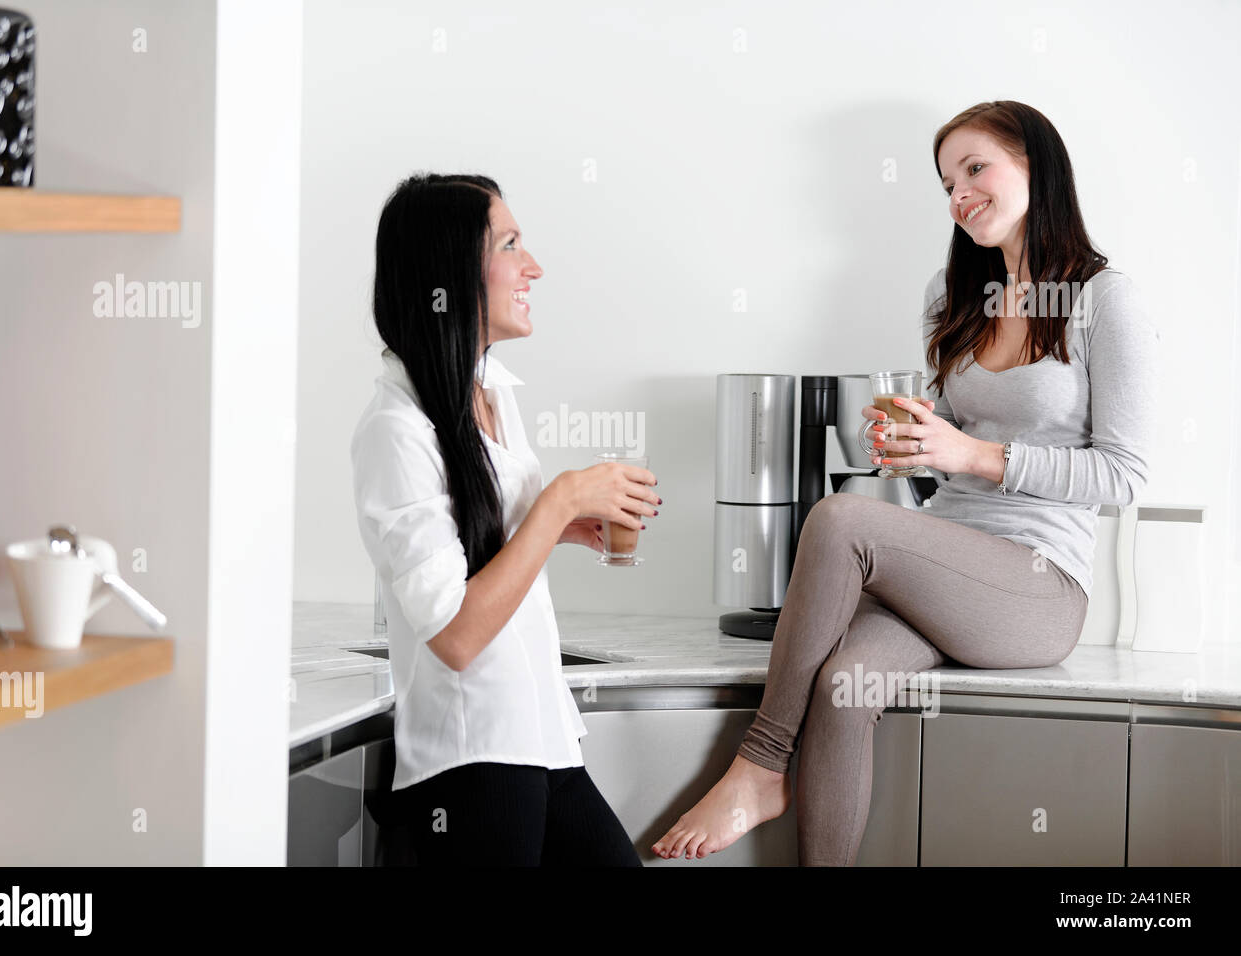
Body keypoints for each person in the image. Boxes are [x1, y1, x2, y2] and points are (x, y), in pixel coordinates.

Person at [653, 100, 1160, 865]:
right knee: (844, 685)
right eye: (947, 184)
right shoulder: (949, 293)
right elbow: (949, 444)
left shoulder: (1105, 300)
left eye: (974, 169)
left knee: (839, 519)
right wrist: (913, 448)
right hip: (947, 564)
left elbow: (1125, 476)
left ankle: (760, 766)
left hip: (1038, 586)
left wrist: (973, 456)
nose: (959, 195)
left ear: (1037, 165)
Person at [351, 173, 661, 866]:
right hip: (471, 764)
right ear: (452, 272)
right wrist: (555, 506)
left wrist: (555, 525)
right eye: (511, 245)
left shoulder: (491, 395)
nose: (534, 267)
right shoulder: (395, 432)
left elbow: (490, 565)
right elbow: (455, 637)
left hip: (541, 741)